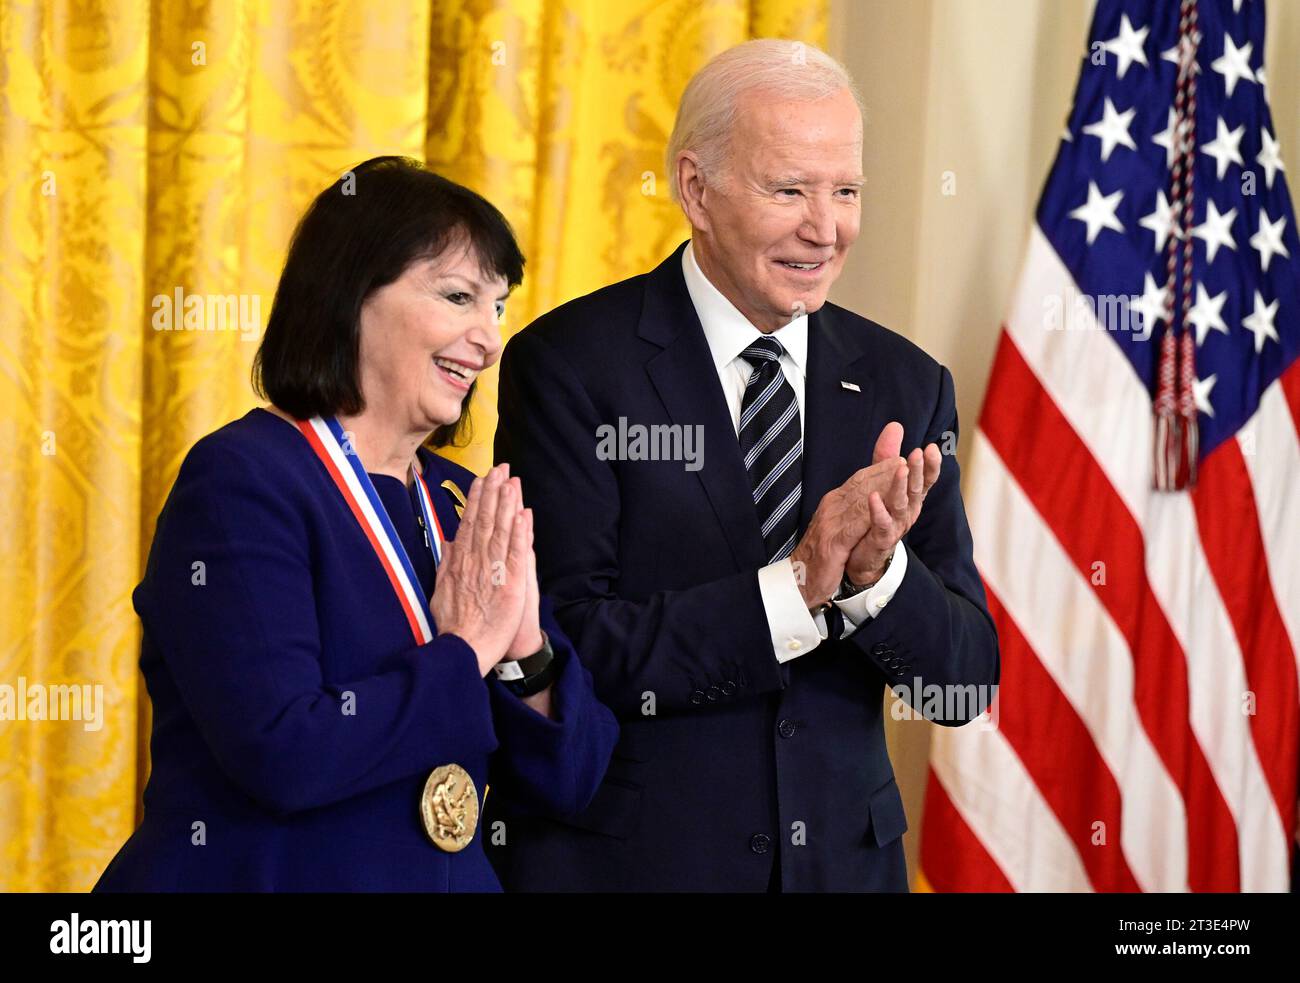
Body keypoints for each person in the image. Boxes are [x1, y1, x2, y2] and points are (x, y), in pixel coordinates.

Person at [489, 41, 998, 892]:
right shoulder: (572, 365)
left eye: (846, 191)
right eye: (789, 189)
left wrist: (874, 579)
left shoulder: (906, 385)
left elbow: (961, 685)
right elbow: (563, 643)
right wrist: (796, 586)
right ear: (695, 188)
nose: (825, 228)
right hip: (638, 867)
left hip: (845, 869)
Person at [94, 156, 617, 892]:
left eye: (496, 308)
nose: (489, 340)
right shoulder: (244, 479)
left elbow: (571, 776)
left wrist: (523, 644)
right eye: (459, 296)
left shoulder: (465, 502)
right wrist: (464, 651)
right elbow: (284, 751)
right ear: (350, 296)